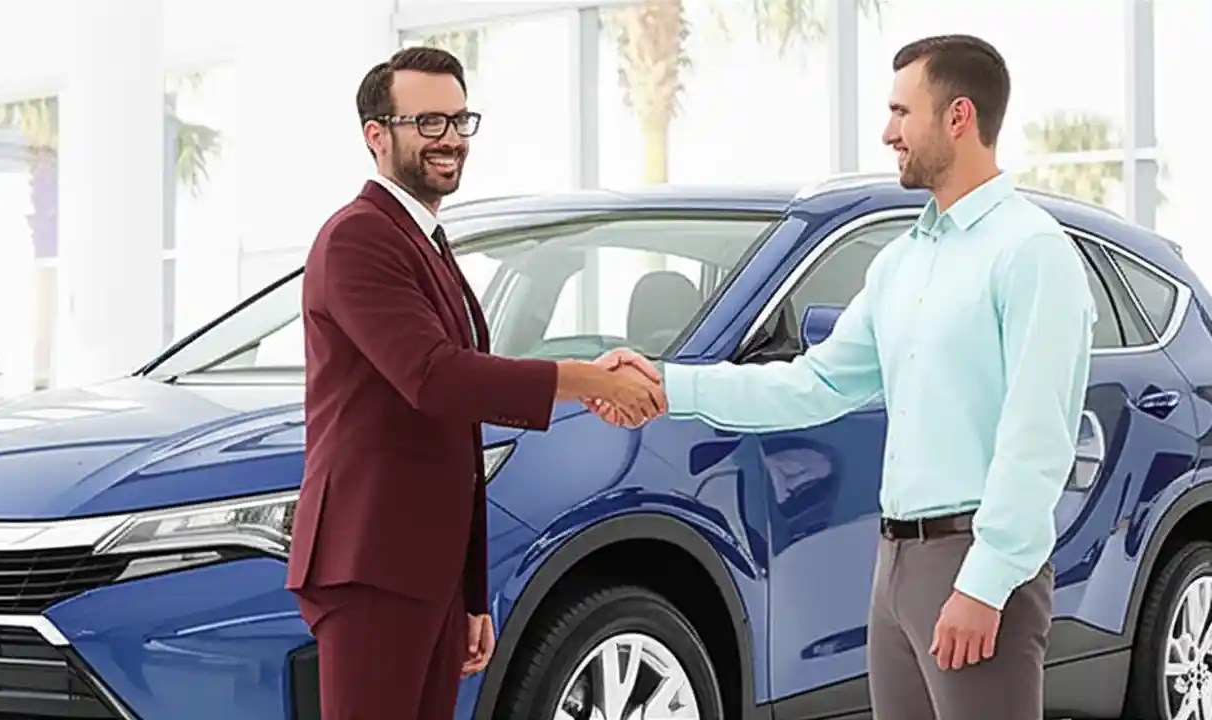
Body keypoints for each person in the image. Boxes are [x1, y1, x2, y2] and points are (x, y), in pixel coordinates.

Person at [593, 34, 1095, 719]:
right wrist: (668, 386)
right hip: (895, 566)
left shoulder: (1032, 252)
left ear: (958, 117)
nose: (888, 133)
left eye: (900, 111)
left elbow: (1036, 437)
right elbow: (815, 383)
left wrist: (987, 583)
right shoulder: (902, 263)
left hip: (975, 562)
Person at [285, 46, 665, 720]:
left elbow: (454, 441)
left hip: (424, 572)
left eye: (461, 121)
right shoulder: (357, 238)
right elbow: (434, 378)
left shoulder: (424, 238)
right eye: (429, 123)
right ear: (377, 135)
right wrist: (585, 379)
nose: (451, 139)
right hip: (371, 564)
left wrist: (469, 592)